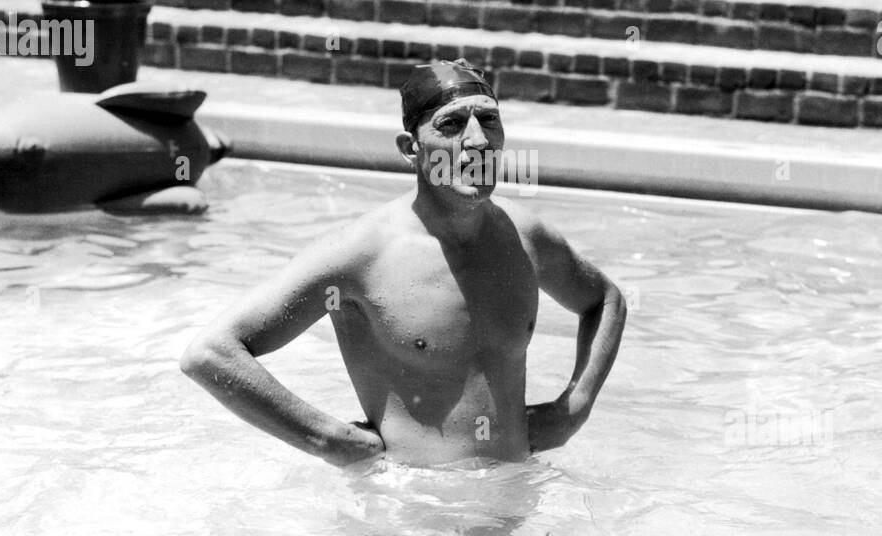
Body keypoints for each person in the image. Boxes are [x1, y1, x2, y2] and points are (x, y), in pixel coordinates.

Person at [180, 59, 626, 466]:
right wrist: (327, 440)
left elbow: (604, 300)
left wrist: (576, 407)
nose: (476, 140)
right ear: (411, 149)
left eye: (488, 119)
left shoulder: (525, 236)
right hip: (407, 507)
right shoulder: (361, 253)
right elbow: (211, 354)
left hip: (511, 493)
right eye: (451, 125)